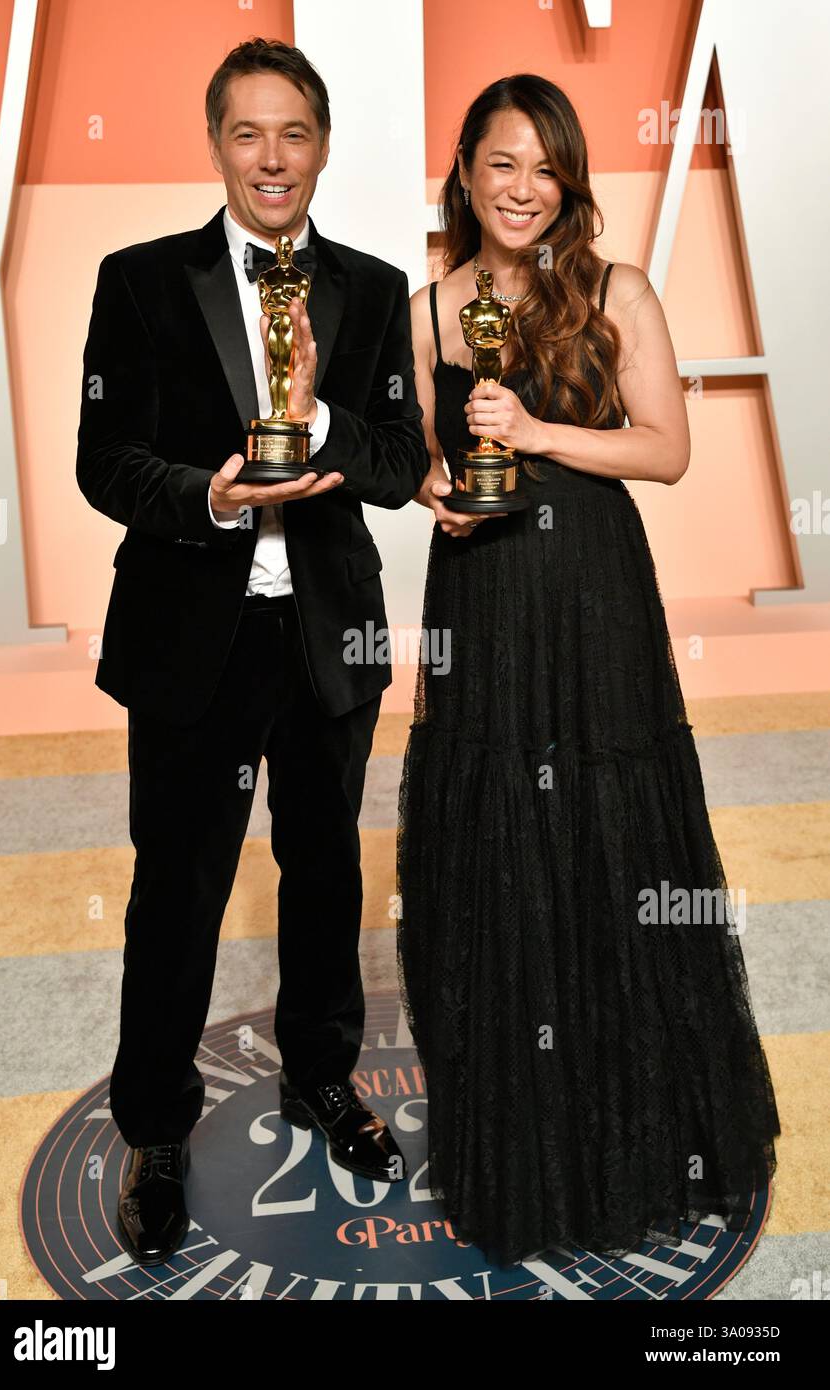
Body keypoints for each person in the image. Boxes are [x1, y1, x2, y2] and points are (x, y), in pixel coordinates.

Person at [396, 74, 781, 1265]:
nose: (521, 187)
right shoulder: (425, 309)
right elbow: (417, 456)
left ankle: (644, 1130)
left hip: (593, 592)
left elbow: (664, 449)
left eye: (544, 166)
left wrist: (540, 433)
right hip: (483, 598)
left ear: (567, 180)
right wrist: (439, 491)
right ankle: (521, 1136)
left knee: (612, 837)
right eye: (500, 163)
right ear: (464, 171)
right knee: (494, 842)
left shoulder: (615, 290)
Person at [76, 38, 428, 1266]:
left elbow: (395, 465)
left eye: (293, 135)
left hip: (329, 635)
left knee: (326, 875)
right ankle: (157, 1130)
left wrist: (327, 417)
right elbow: (102, 460)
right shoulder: (140, 282)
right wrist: (210, 499)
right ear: (214, 142)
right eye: (246, 134)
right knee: (175, 893)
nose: (271, 159)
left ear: (322, 146)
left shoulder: (376, 291)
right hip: (191, 641)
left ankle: (321, 1078)